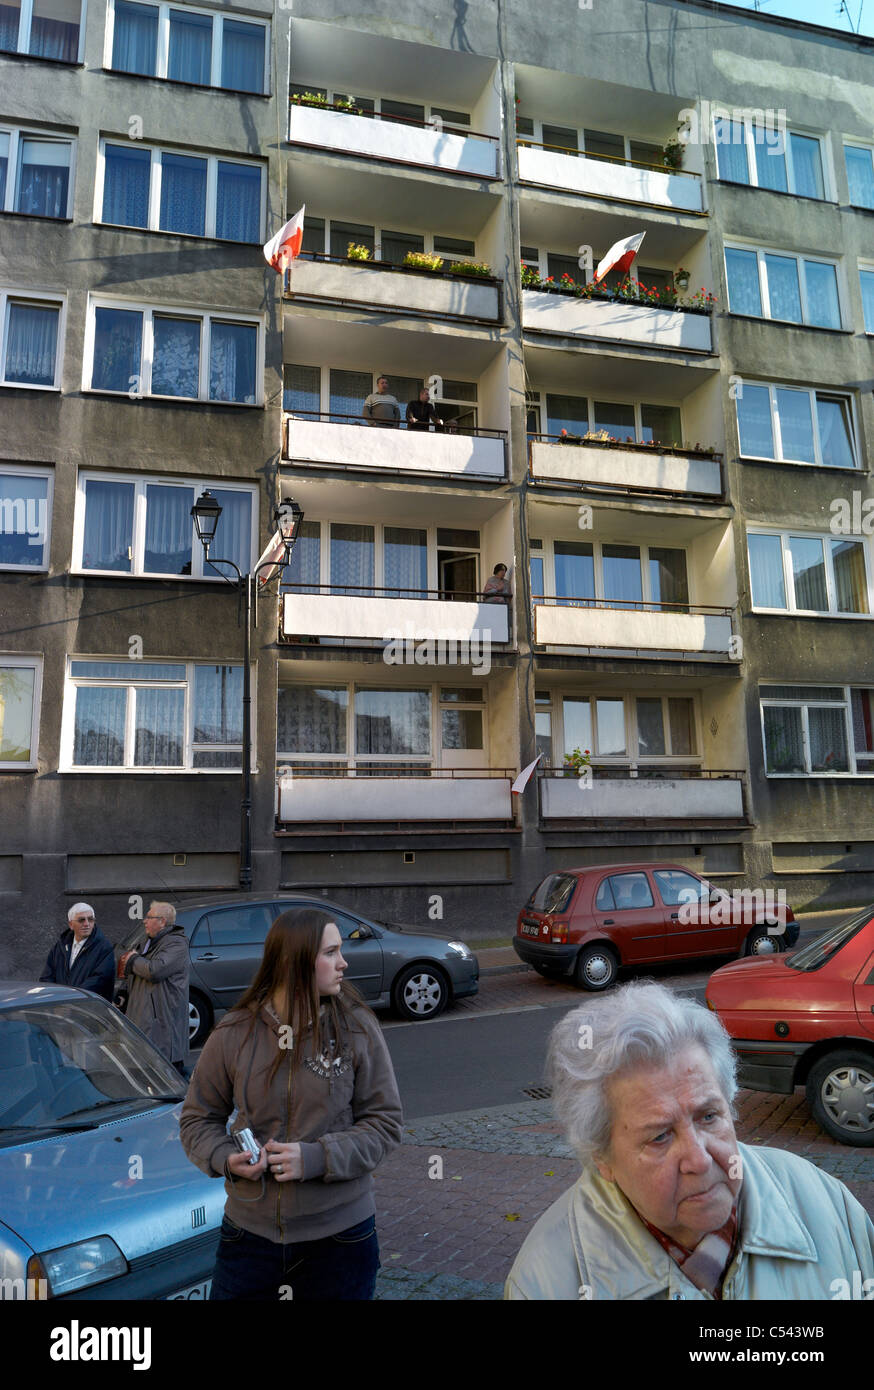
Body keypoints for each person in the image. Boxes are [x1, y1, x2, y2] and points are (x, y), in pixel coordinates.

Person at [506, 982, 874, 1301]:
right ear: (601, 1157)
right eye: (660, 1136)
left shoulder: (827, 1203)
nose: (699, 1160)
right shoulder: (547, 1281)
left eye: (708, 1116)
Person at [179, 908, 403, 1301]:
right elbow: (198, 1119)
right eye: (331, 952)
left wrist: (315, 1158)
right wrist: (223, 1157)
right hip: (249, 1238)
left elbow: (384, 1124)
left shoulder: (356, 1027)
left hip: (340, 1240)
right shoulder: (234, 1032)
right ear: (294, 961)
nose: (343, 962)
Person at [119, 902, 190, 1074]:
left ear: (162, 921)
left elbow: (155, 970)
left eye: (149, 917)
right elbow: (133, 972)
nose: (144, 921)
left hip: (162, 1019)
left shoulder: (176, 945)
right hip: (142, 1016)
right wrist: (122, 993)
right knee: (144, 1070)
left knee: (168, 1072)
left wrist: (133, 960)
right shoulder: (147, 942)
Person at [39, 903, 115, 1001]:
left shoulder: (104, 947)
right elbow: (47, 977)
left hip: (88, 1008)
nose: (87, 924)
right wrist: (55, 1000)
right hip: (60, 1005)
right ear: (71, 925)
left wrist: (71, 998)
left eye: (90, 919)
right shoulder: (60, 946)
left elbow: (100, 980)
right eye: (81, 920)